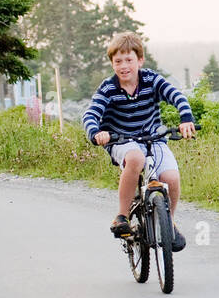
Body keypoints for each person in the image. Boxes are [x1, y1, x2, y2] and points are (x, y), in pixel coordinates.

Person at [82, 32, 197, 250]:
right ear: (112, 64)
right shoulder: (108, 88)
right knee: (135, 159)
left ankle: (168, 223)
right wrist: (96, 132)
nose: (124, 66)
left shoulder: (151, 80)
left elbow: (176, 95)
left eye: (129, 60)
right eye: (118, 61)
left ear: (140, 61)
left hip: (153, 139)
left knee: (171, 178)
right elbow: (90, 114)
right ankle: (122, 217)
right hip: (121, 140)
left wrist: (185, 119)